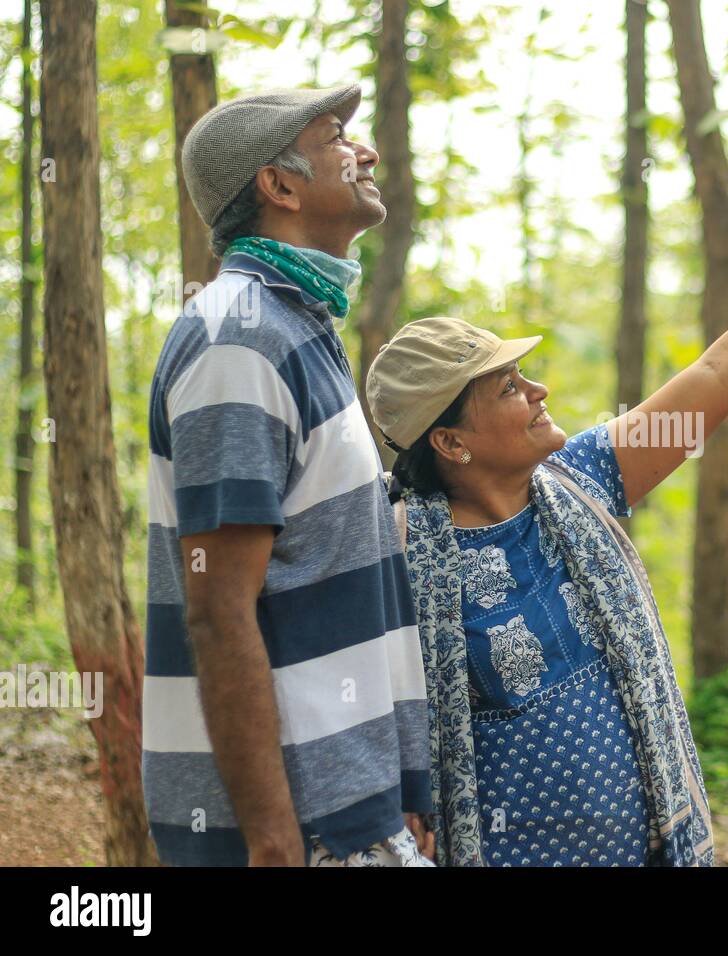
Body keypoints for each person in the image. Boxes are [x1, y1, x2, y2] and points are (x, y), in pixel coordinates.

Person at [366, 167, 728, 866]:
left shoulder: (583, 482)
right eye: (509, 388)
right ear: (451, 442)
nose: (539, 389)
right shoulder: (396, 559)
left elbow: (722, 374)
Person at [144, 84, 434, 866]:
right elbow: (218, 610)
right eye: (338, 138)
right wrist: (274, 842)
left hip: (349, 807)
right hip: (301, 829)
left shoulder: (296, 324)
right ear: (278, 186)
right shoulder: (236, 340)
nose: (366, 152)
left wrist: (403, 783)